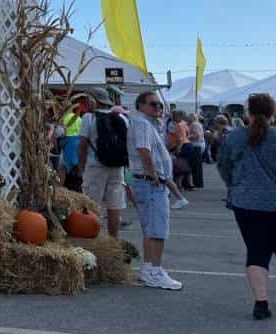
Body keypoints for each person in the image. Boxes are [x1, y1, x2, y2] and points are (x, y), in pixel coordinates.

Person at [217, 93, 276, 320]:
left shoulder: (232, 137)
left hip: (246, 202)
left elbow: (224, 166)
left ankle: (261, 302)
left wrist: (234, 185)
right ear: (272, 113)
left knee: (257, 251)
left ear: (247, 112)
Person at [127, 91, 183, 291]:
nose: (158, 108)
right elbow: (143, 149)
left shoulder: (146, 123)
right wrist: (152, 173)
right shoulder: (142, 124)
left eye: (159, 105)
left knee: (151, 228)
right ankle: (155, 271)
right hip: (150, 183)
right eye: (153, 104)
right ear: (141, 105)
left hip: (148, 182)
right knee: (158, 229)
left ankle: (149, 268)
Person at [76, 87, 126, 238]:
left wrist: (81, 167)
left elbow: (83, 145)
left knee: (92, 204)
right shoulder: (121, 118)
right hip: (117, 167)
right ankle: (113, 239)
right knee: (114, 205)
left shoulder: (89, 118)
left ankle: (93, 236)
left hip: (95, 166)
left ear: (94, 101)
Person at [187, 114, 206, 189]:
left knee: (195, 165)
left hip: (196, 145)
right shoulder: (198, 123)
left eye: (188, 117)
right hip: (199, 144)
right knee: (197, 165)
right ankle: (198, 183)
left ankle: (196, 182)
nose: (187, 118)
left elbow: (197, 135)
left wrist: (187, 137)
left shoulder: (194, 124)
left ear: (192, 118)